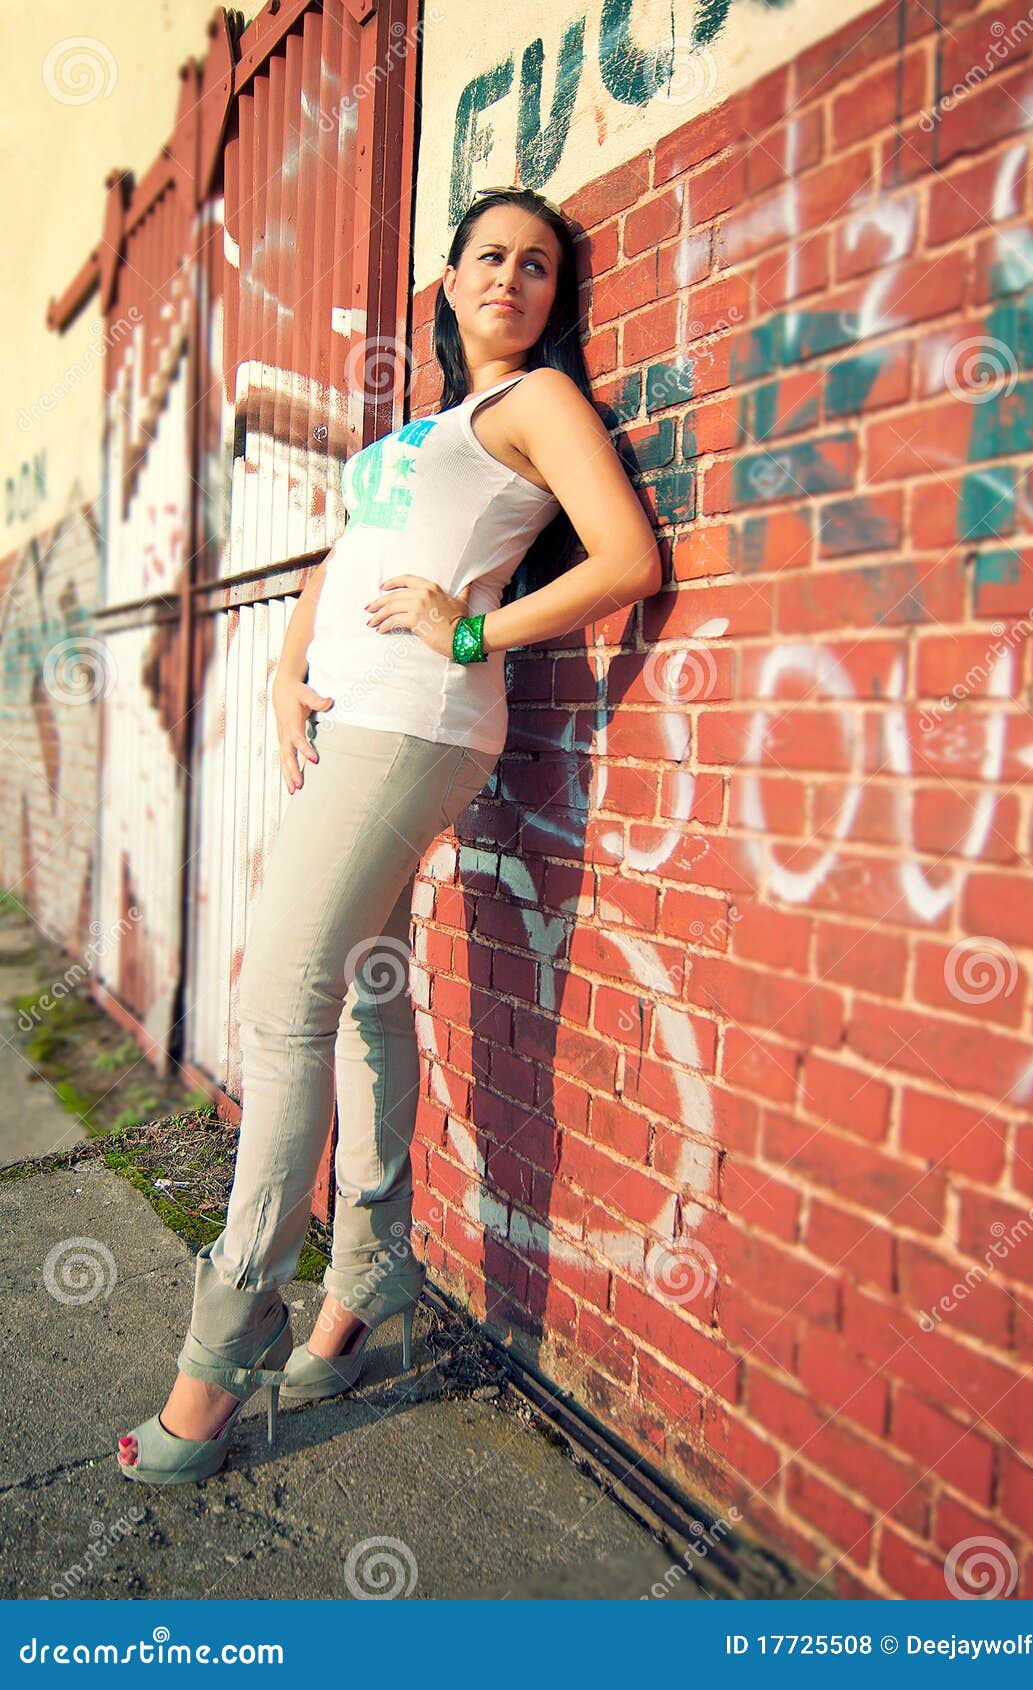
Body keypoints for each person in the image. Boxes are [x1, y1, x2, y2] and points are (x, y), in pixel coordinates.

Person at [116, 185, 662, 1483]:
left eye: (538, 265)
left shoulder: (536, 400)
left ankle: (223, 1348)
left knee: (281, 1003)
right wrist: (285, 665)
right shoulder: (426, 426)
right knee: (363, 996)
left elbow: (625, 558)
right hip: (352, 717)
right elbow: (349, 550)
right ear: (449, 280)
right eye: (489, 257)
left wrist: (472, 629)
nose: (510, 278)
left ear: (553, 297)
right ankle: (363, 1287)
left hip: (417, 721)